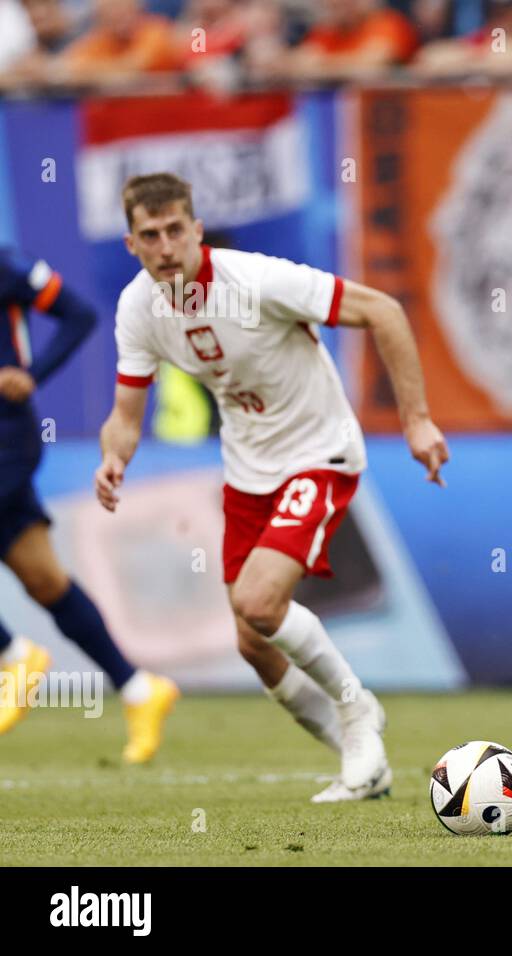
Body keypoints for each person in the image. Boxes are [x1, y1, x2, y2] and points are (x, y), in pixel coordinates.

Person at [95, 172, 450, 800]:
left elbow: (383, 311)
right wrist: (113, 460)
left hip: (320, 452)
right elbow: (125, 417)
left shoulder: (256, 279)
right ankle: (361, 763)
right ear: (132, 245)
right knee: (252, 640)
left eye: (176, 229)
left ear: (197, 230)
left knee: (260, 603)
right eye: (150, 235)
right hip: (247, 469)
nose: (166, 245)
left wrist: (417, 418)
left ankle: (356, 707)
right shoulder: (137, 309)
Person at [0, 246, 179, 762]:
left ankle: (14, 655)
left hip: (6, 441)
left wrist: (31, 374)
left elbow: (78, 314)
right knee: (44, 579)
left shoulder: (7, 266)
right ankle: (141, 689)